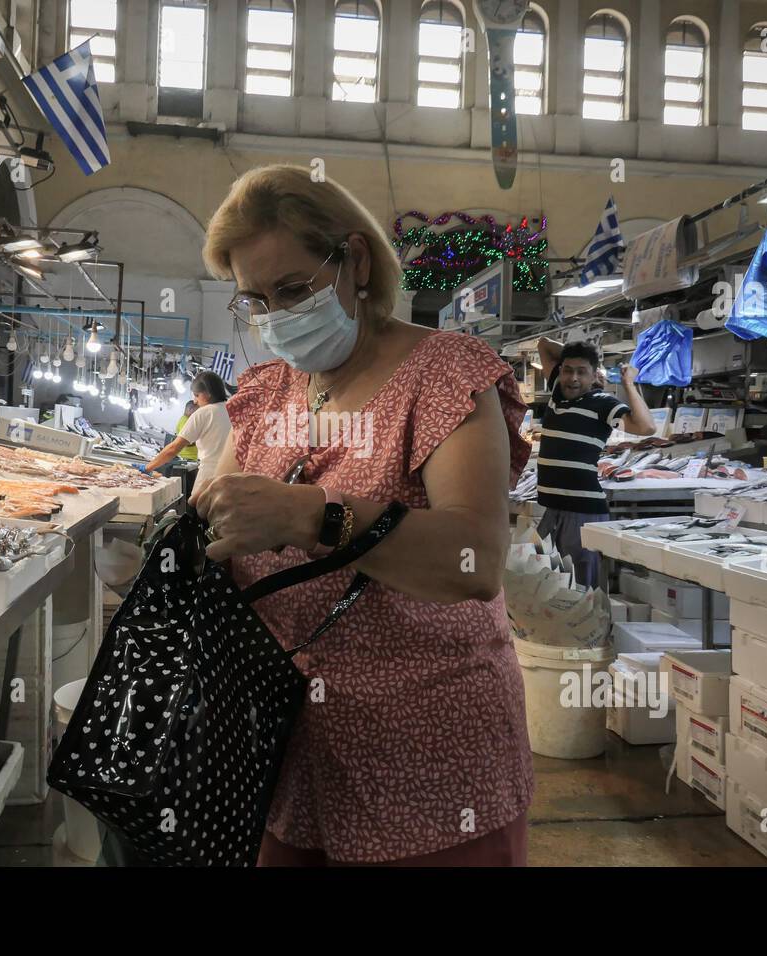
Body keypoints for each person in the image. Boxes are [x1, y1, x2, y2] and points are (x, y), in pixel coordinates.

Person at [190, 164, 533, 867]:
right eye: (255, 300)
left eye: (292, 290)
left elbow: (475, 559)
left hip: (428, 760)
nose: (277, 318)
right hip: (288, 753)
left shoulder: (446, 374)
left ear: (355, 259)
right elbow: (224, 529)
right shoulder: (266, 393)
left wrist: (312, 516)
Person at [534, 337, 656, 587]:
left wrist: (628, 383)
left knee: (581, 590)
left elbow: (646, 427)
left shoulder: (603, 403)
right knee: (547, 587)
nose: (573, 378)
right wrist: (577, 356)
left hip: (583, 512)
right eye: (568, 370)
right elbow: (544, 344)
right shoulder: (558, 390)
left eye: (582, 372)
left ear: (593, 377)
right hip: (552, 510)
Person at [144, 372, 230, 497]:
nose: (195, 400)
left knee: (201, 512)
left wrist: (147, 468)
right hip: (231, 478)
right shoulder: (232, 409)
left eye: (196, 395)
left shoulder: (204, 412)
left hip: (210, 477)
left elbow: (173, 448)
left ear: (208, 393)